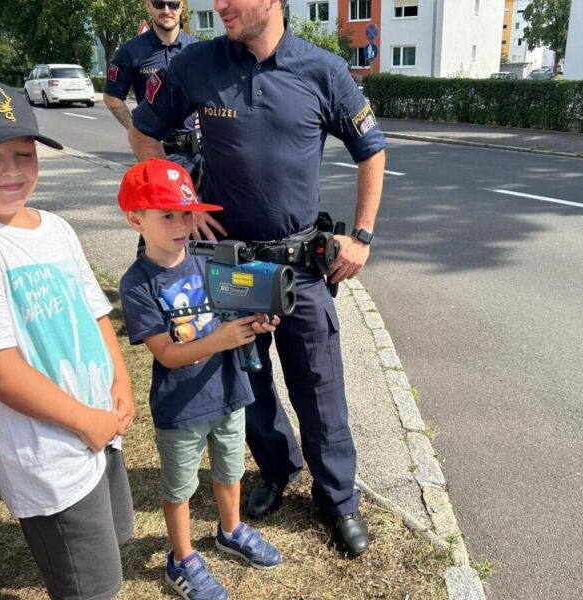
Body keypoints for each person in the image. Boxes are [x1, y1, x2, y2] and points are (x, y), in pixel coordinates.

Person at [128, 0, 386, 556]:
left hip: (302, 269)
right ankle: (275, 472)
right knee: (249, 381)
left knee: (320, 387)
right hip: (227, 264)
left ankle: (337, 500)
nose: (218, 5)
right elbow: (145, 133)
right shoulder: (196, 65)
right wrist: (184, 205)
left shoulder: (324, 70)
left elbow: (372, 149)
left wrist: (360, 238)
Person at [0, 77, 135, 600]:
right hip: (48, 455)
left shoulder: (56, 228)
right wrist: (85, 419)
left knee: (115, 541)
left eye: (24, 152)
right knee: (90, 586)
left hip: (98, 430)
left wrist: (120, 381)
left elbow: (95, 313)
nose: (12, 169)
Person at [118, 158, 281, 600]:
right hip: (181, 405)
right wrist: (223, 338)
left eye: (186, 214)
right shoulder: (137, 284)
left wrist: (254, 322)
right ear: (136, 219)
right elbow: (167, 355)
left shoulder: (208, 262)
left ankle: (231, 530)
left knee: (230, 471)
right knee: (179, 488)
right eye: (166, 215)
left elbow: (235, 310)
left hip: (228, 391)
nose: (180, 225)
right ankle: (182, 558)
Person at [104, 0, 202, 176]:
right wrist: (136, 128)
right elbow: (111, 96)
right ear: (148, 5)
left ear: (181, 7)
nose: (166, 10)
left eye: (172, 4)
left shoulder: (196, 48)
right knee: (163, 204)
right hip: (154, 150)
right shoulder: (130, 51)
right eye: (159, 4)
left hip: (197, 153)